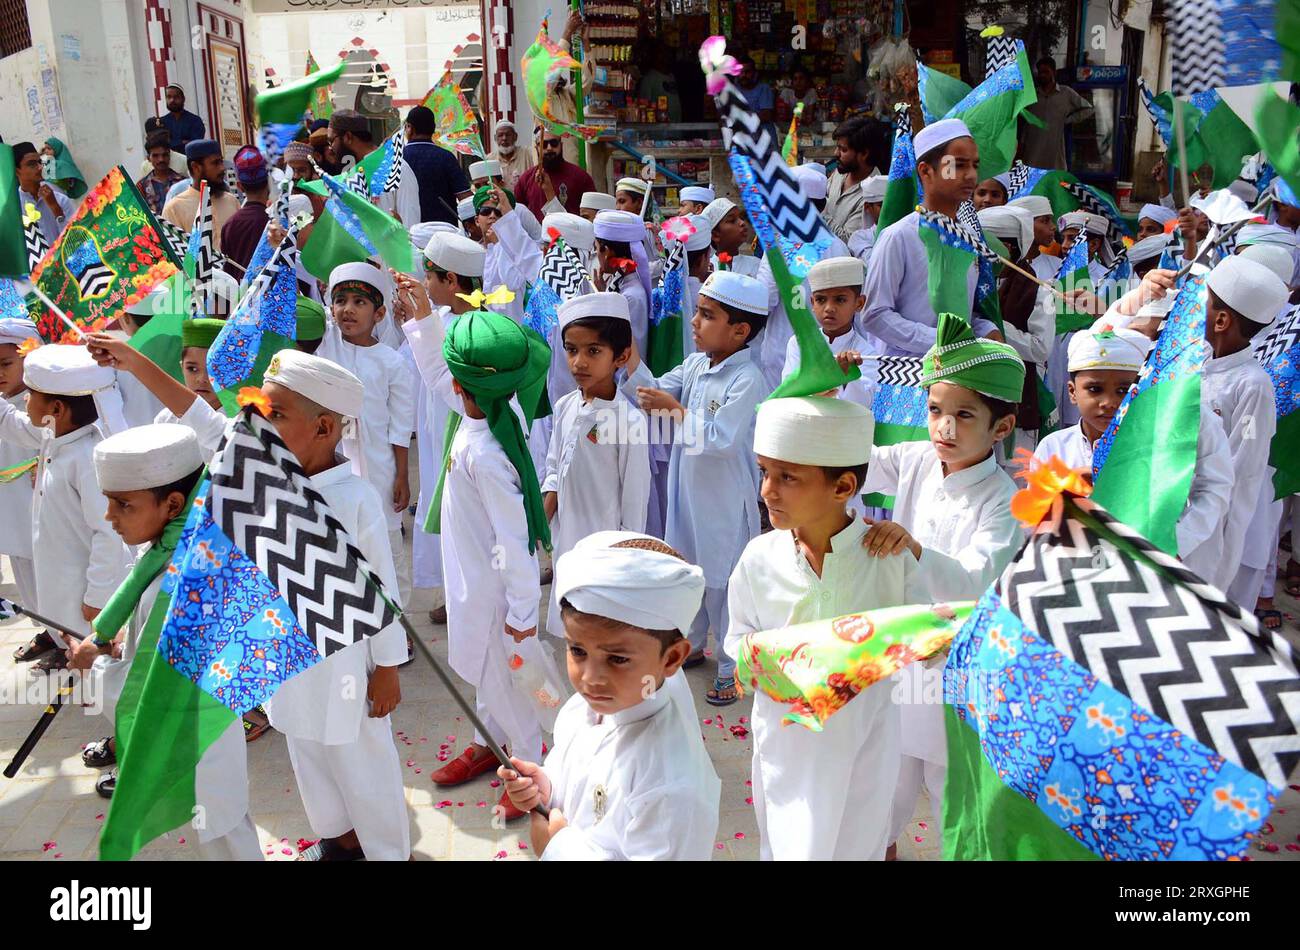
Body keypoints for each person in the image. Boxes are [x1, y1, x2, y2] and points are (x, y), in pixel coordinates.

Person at [725, 396, 927, 860]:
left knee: (856, 843)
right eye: (765, 473)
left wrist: (915, 553)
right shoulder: (759, 558)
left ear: (844, 487)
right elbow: (738, 642)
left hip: (865, 747)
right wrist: (780, 658)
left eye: (788, 478)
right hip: (786, 747)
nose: (767, 491)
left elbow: (932, 629)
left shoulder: (888, 556)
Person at [858, 313, 1025, 858]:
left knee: (952, 787)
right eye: (935, 411)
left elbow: (978, 578)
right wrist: (827, 398)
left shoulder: (1003, 501)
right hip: (898, 657)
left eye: (963, 416)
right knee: (883, 786)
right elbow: (853, 462)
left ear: (1001, 427)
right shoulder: (916, 462)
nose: (943, 429)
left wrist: (913, 549)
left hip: (956, 671)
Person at [71, 425, 262, 859]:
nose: (109, 516)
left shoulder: (173, 585)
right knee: (226, 823)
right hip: (209, 730)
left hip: (193, 738)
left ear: (173, 504)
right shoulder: (192, 547)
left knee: (222, 832)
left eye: (123, 504)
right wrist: (127, 643)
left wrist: (93, 666)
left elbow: (144, 694)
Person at [498, 531, 721, 859]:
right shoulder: (582, 710)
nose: (590, 678)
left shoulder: (671, 784)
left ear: (672, 658)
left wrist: (558, 848)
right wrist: (544, 785)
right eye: (577, 650)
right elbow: (573, 781)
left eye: (617, 659)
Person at [414, 308, 550, 822]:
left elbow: (515, 543)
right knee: (489, 679)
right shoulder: (489, 411)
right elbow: (440, 379)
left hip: (493, 596)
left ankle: (531, 768)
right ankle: (486, 744)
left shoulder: (488, 452)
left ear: (459, 382)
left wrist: (521, 613)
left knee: (506, 685)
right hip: (474, 585)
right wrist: (422, 322)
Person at [621, 271, 771, 706]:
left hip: (724, 497)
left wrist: (677, 411)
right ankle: (693, 643)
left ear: (740, 331)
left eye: (707, 315)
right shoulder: (696, 366)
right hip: (687, 490)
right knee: (689, 570)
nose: (695, 322)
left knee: (724, 583)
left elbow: (722, 440)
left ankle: (730, 666)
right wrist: (629, 360)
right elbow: (650, 394)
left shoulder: (748, 380)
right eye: (699, 312)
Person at [0, 344, 133, 658]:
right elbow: (14, 425)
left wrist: (98, 597)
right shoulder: (55, 437)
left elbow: (109, 533)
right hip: (67, 600)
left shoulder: (87, 458)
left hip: (88, 607)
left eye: (30, 396)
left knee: (101, 679)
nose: (25, 402)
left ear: (57, 409)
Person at [543, 293, 651, 638]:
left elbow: (635, 500)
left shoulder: (629, 419)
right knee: (572, 629)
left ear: (620, 356)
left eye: (593, 351)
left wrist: (625, 560)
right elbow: (553, 470)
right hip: (566, 542)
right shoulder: (563, 407)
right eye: (572, 350)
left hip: (606, 551)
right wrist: (540, 523)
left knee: (601, 632)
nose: (579, 362)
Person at [391, 232, 485, 624]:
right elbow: (415, 366)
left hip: (464, 435)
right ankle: (453, 592)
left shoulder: (480, 328)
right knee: (445, 514)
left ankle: (472, 598)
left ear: (451, 281)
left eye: (430, 277)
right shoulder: (443, 317)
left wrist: (422, 321)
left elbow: (443, 377)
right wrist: (414, 321)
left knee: (468, 521)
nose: (425, 284)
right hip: (434, 434)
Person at [317, 262, 417, 609]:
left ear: (379, 313)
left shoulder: (390, 361)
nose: (348, 309)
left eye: (360, 302)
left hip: (379, 466)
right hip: (332, 465)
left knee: (387, 545)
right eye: (340, 300)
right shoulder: (325, 347)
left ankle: (398, 621)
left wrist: (402, 475)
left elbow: (400, 425)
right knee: (340, 543)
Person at [862, 119, 1001, 356]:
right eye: (958, 165)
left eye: (975, 166)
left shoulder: (968, 238)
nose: (971, 175)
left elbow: (964, 313)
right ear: (926, 170)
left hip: (959, 374)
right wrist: (941, 341)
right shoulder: (899, 236)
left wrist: (987, 330)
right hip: (909, 379)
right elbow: (875, 315)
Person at [1201, 257, 1287, 598]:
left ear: (1221, 320)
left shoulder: (1253, 385)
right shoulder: (1203, 364)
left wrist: (1207, 513)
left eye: (1204, 306)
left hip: (1227, 519)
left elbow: (1244, 463)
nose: (1199, 313)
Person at [1033, 327, 1154, 470]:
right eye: (1095, 389)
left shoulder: (1153, 449)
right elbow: (1038, 491)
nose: (1109, 403)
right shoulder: (1053, 447)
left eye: (1123, 391)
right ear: (1073, 392)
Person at [0, 319, 49, 664]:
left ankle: (67, 640)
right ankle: (51, 634)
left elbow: (36, 439)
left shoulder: (40, 401)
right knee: (28, 584)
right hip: (11, 514)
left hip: (40, 515)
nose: (0, 373)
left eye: (5, 363)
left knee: (49, 578)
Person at [782, 258, 877, 411]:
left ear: (859, 303)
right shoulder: (799, 343)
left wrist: (848, 376)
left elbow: (864, 404)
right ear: (812, 303)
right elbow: (790, 392)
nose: (829, 308)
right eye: (821, 300)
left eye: (840, 300)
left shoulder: (865, 352)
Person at [328, 110, 420, 226]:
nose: (330, 149)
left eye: (331, 140)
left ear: (348, 137)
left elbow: (410, 222)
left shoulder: (396, 167)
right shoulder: (352, 174)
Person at [162, 140, 241, 252]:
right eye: (215, 163)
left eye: (221, 162)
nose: (222, 168)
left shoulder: (231, 201)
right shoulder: (174, 209)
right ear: (196, 167)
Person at [1018, 57, 1095, 171]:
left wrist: (1068, 120)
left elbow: (1088, 109)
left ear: (1054, 72)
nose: (1042, 75)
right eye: (1040, 72)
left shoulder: (1066, 93)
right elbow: (1024, 122)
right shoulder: (1031, 94)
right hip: (1031, 158)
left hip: (1055, 159)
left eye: (1046, 72)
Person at [593, 210, 652, 355]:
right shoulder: (622, 285)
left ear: (606, 252)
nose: (596, 255)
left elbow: (625, 352)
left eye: (596, 249)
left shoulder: (630, 296)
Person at [403, 105, 471, 225]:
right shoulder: (446, 157)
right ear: (434, 128)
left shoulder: (396, 159)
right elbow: (465, 198)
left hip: (407, 233)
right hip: (444, 231)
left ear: (409, 128)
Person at [825, 117, 886, 242]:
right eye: (838, 147)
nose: (836, 153)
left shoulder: (872, 197)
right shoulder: (840, 172)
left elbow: (849, 240)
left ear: (864, 154)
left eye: (844, 150)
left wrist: (819, 212)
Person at [515, 131, 595, 219]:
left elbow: (592, 214)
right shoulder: (526, 179)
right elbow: (519, 215)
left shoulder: (580, 177)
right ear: (537, 148)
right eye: (544, 144)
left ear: (561, 145)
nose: (549, 148)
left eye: (554, 143)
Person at [219, 145, 271, 273]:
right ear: (269, 181)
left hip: (239, 292)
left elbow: (227, 269)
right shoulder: (275, 223)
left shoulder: (229, 225)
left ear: (240, 186)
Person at [13, 142, 74, 246]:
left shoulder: (60, 199)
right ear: (17, 171)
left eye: (40, 162)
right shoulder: (14, 207)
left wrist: (56, 209)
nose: (40, 167)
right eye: (31, 164)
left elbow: (74, 240)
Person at [704, 197, 761, 277]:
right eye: (732, 220)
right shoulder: (706, 270)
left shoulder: (757, 265)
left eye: (741, 218)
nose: (742, 223)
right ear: (715, 235)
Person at [136, 129, 186, 217]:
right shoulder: (141, 187)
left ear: (169, 155)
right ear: (148, 158)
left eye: (164, 155)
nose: (161, 159)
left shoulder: (182, 182)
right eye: (155, 156)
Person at [848, 174, 887, 269]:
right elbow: (875, 266)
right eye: (881, 205)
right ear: (868, 207)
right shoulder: (860, 238)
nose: (889, 210)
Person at [636, 45, 683, 123]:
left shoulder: (671, 76)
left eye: (668, 54)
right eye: (662, 54)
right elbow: (643, 107)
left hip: (675, 128)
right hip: (659, 131)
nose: (666, 57)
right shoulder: (649, 79)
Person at [159, 84, 206, 154]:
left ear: (183, 99)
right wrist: (182, 142)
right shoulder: (162, 122)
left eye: (176, 97)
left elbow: (195, 144)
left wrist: (173, 143)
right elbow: (161, 145)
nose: (172, 100)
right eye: (169, 97)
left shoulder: (195, 120)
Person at [489, 120, 531, 192]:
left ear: (515, 137)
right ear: (495, 138)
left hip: (524, 202)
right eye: (500, 135)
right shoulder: (489, 160)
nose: (504, 138)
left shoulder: (528, 154)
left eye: (508, 135)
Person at [736, 56, 775, 123]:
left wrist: (739, 118)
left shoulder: (764, 89)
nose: (743, 75)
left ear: (755, 73)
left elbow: (766, 116)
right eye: (741, 72)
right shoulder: (734, 90)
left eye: (747, 72)